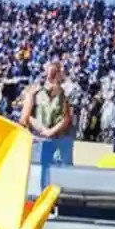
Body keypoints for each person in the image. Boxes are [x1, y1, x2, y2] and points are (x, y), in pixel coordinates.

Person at [20, 60, 74, 193]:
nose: (51, 77)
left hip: (61, 138)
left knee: (63, 169)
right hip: (41, 138)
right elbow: (27, 115)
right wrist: (43, 130)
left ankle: (63, 196)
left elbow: (67, 118)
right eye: (49, 74)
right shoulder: (34, 92)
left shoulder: (66, 92)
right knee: (41, 170)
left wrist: (51, 131)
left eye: (55, 73)